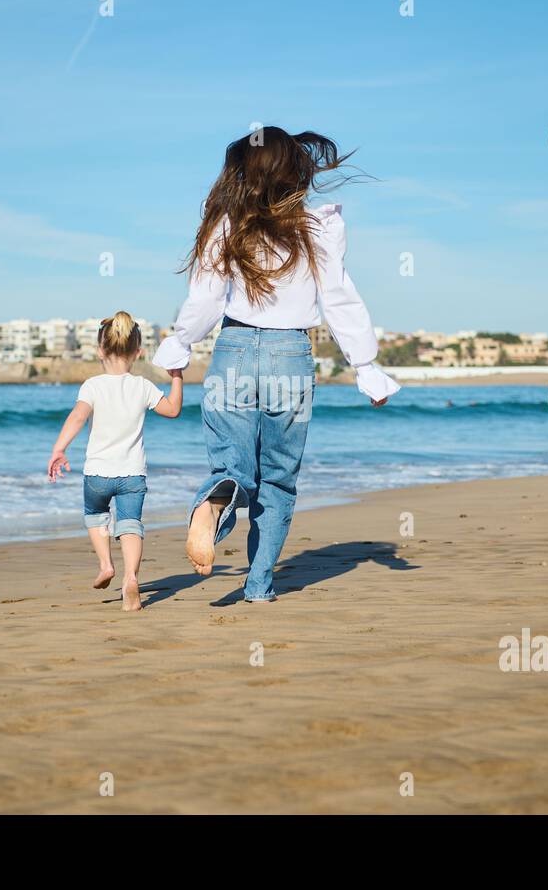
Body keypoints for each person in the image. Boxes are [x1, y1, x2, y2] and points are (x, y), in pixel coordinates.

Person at [152, 127, 399, 603]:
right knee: (279, 478)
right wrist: (365, 367)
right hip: (290, 356)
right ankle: (259, 586)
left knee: (232, 458)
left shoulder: (225, 225)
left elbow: (204, 299)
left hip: (234, 350)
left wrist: (181, 343)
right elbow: (340, 298)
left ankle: (215, 499)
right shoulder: (318, 227)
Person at [49, 311, 184, 611]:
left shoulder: (92, 386)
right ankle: (131, 578)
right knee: (130, 524)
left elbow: (78, 417)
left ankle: (106, 565)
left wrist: (60, 448)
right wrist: (176, 376)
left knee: (96, 515)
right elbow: (173, 410)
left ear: (100, 350)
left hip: (97, 473)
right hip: (132, 475)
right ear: (137, 352)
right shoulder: (143, 386)